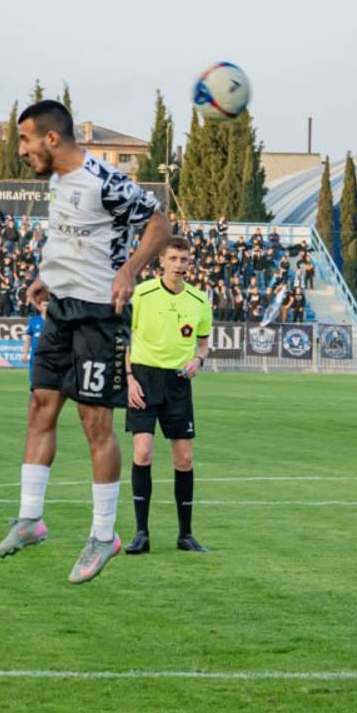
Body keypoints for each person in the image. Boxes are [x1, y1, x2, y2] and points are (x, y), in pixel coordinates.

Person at [0, 100, 169, 585]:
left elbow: (160, 224)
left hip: (99, 313)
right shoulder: (58, 182)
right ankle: (30, 519)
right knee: (40, 405)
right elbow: (73, 237)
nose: (21, 150)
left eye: (25, 140)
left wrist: (131, 270)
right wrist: (44, 276)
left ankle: (104, 534)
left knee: (94, 421)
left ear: (52, 139)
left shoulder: (104, 180)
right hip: (62, 307)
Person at [125, 238, 212, 555]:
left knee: (184, 459)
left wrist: (198, 360)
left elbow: (202, 343)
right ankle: (141, 533)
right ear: (161, 261)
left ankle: (185, 535)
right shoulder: (141, 294)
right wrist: (129, 379)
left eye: (184, 259)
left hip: (178, 382)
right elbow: (123, 338)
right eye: (173, 258)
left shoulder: (199, 300)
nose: (179, 264)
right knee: (143, 452)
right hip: (144, 378)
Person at [21, 308, 45, 388]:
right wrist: (24, 353)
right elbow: (28, 338)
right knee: (34, 384)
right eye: (44, 305)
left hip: (50, 358)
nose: (46, 307)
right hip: (35, 357)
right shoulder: (34, 320)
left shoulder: (55, 321)